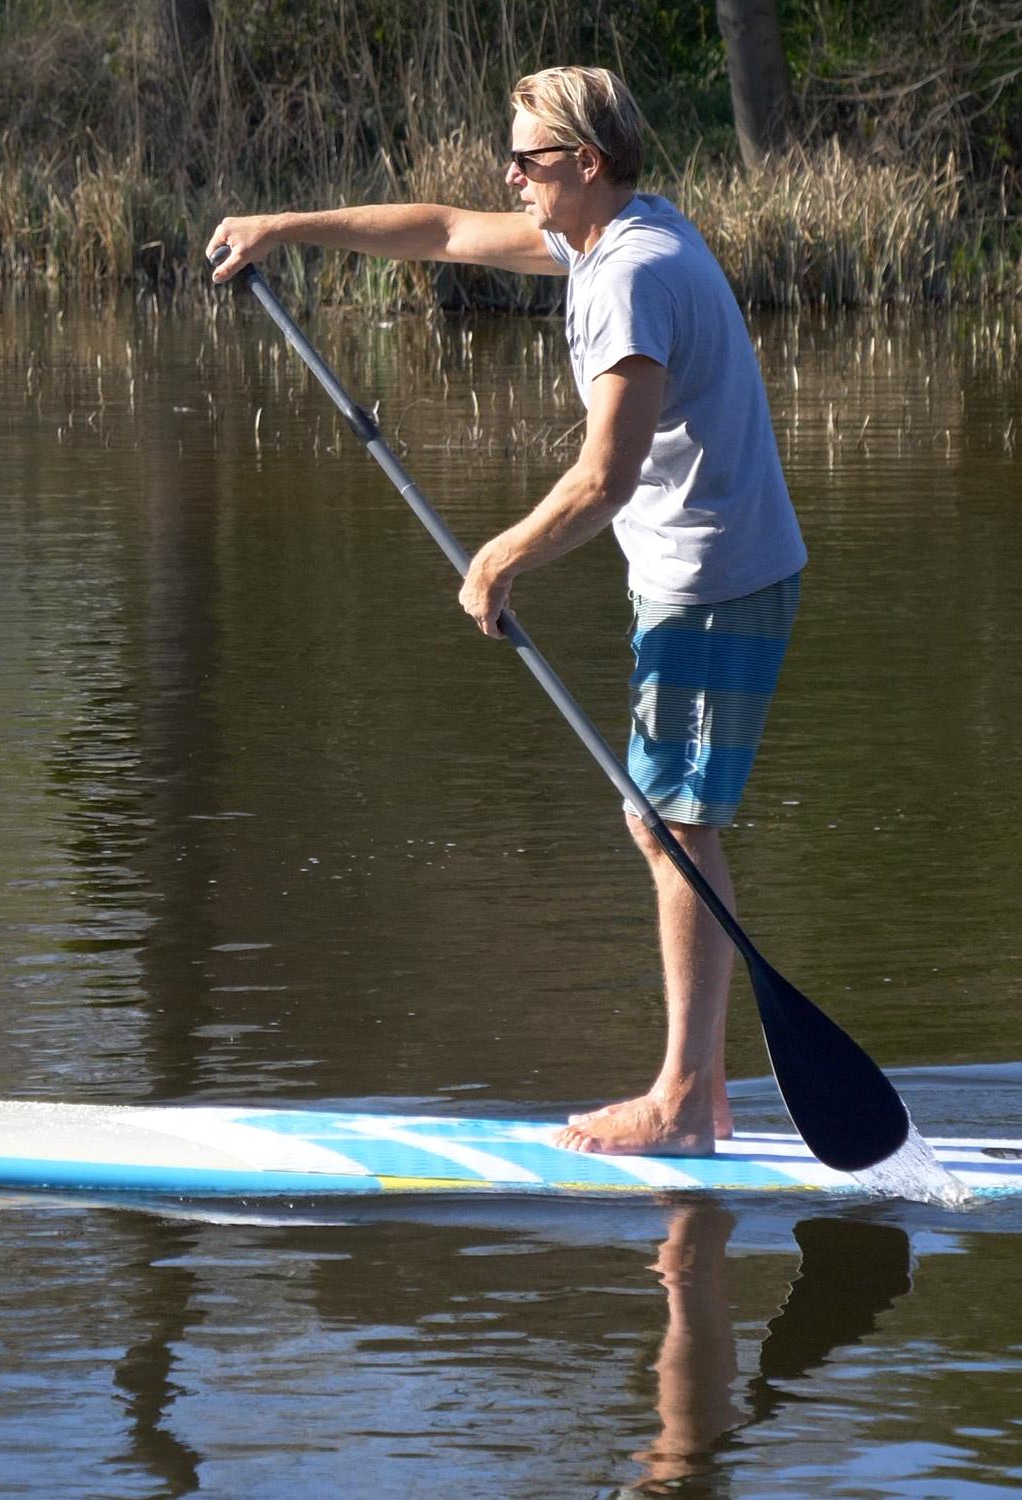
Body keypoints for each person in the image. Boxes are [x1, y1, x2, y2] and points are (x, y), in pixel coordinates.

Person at [207, 65, 806, 1158]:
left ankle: (682, 1107)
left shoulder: (632, 274)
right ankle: (703, 1089)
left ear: (585, 164)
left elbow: (606, 475)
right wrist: (282, 227)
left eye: (527, 160)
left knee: (673, 826)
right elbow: (439, 228)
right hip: (705, 573)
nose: (509, 178)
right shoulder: (606, 236)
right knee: (664, 819)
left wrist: (501, 559)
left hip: (715, 579)